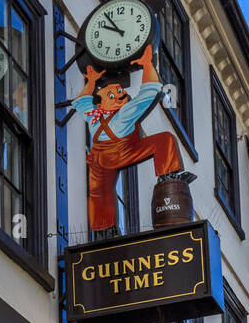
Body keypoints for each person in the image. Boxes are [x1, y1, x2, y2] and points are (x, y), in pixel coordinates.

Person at [73, 44, 182, 234]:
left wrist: (91, 82)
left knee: (98, 192)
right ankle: (168, 180)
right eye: (113, 94)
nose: (120, 95)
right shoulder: (125, 113)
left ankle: (104, 230)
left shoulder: (94, 115)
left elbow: (82, 101)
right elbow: (149, 92)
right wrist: (147, 65)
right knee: (164, 140)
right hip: (123, 153)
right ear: (103, 101)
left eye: (120, 92)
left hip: (99, 160)